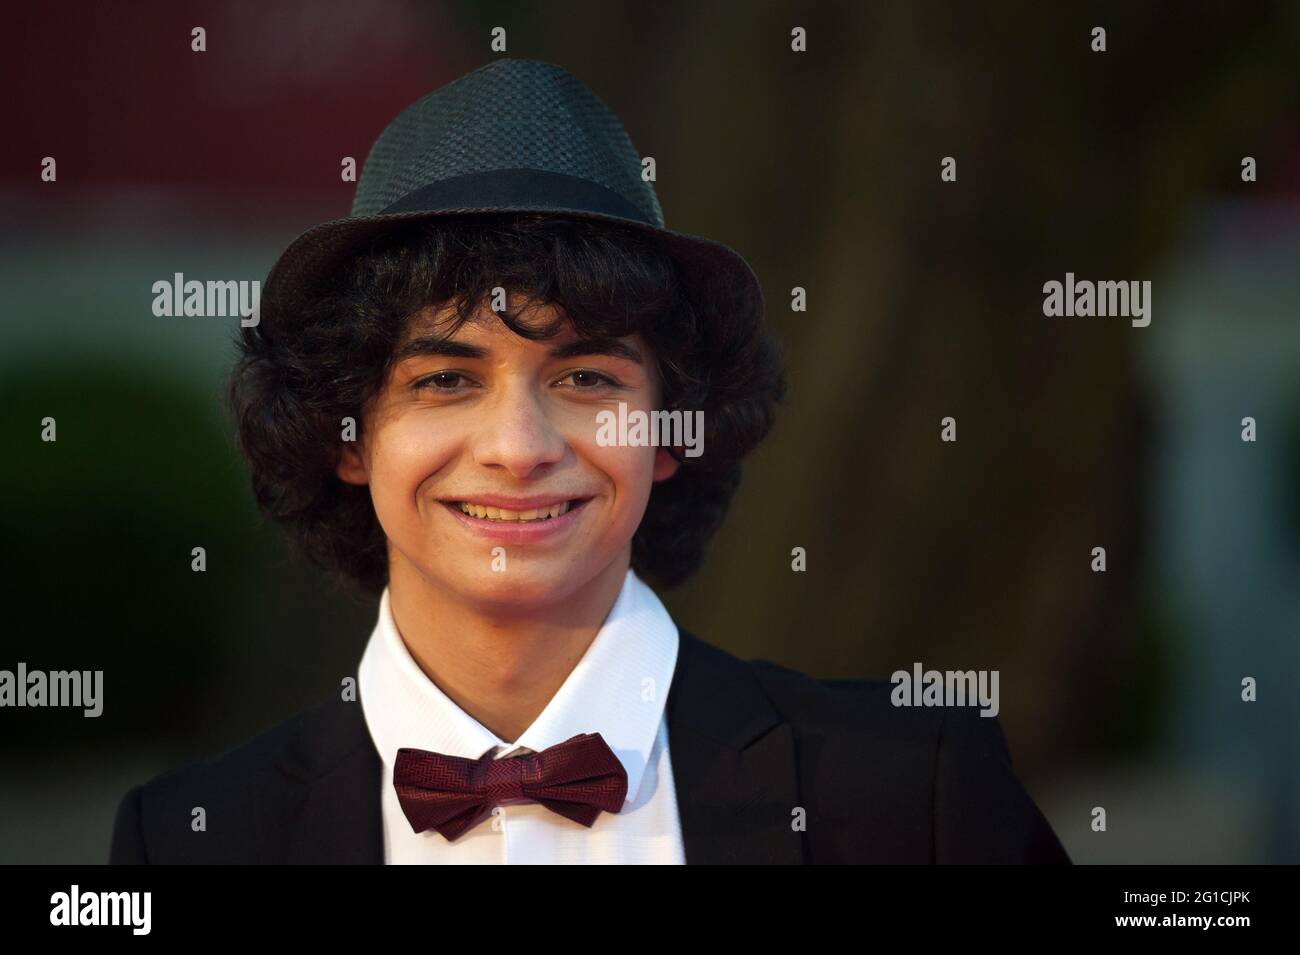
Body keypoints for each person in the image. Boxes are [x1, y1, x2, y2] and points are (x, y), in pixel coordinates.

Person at [108, 58, 1070, 864]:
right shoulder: (190, 842)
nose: (519, 449)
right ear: (346, 436)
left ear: (670, 429)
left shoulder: (916, 795)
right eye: (445, 380)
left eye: (586, 379)